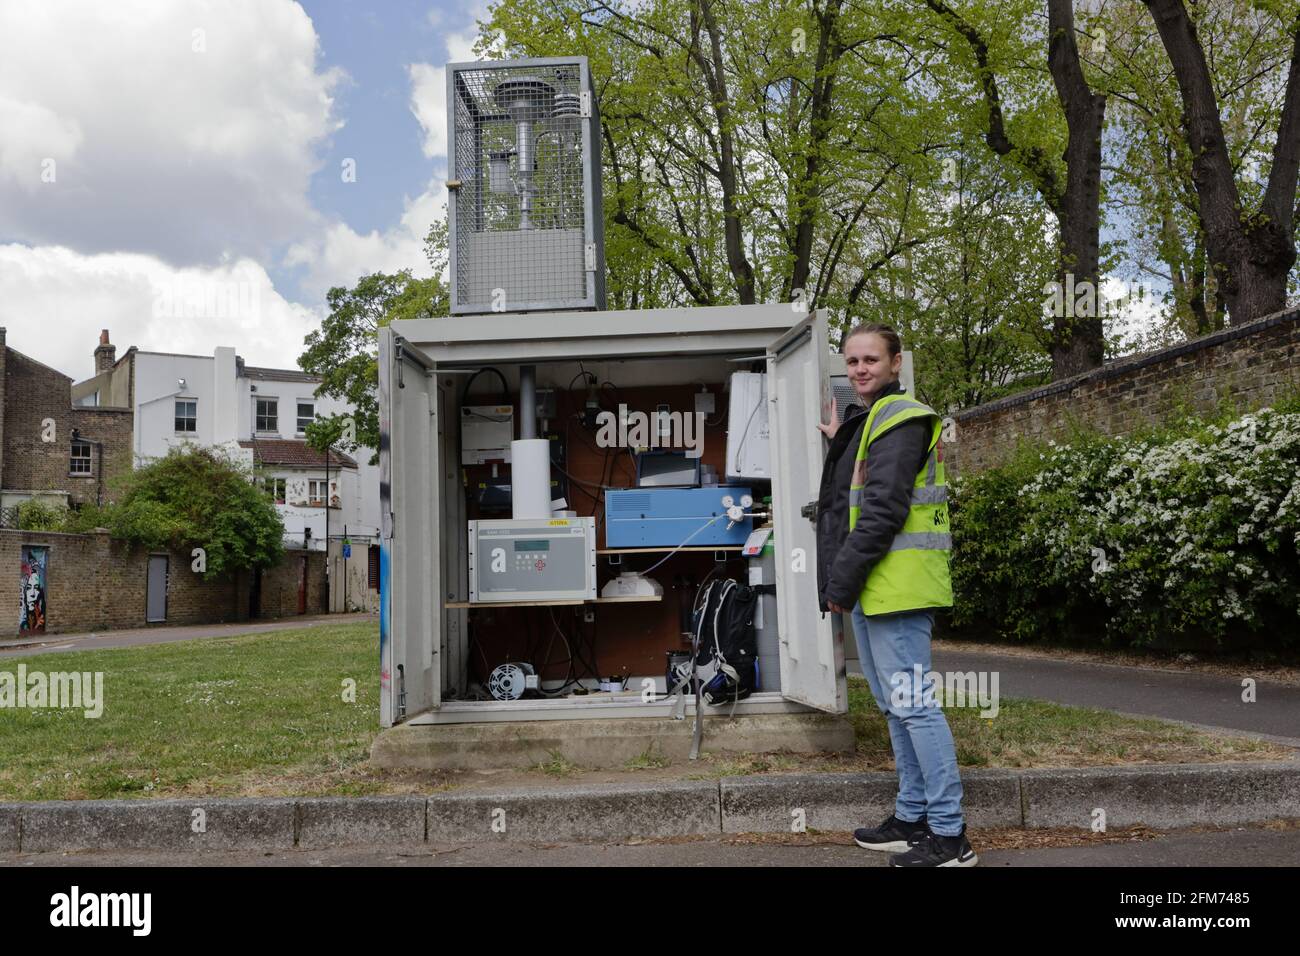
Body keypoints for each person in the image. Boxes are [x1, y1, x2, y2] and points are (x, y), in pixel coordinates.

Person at [814, 323, 977, 867]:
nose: (860, 369)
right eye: (852, 361)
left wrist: (840, 580)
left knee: (915, 708)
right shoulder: (872, 422)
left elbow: (882, 509)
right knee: (894, 707)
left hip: (897, 589)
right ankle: (911, 817)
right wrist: (840, 439)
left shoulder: (903, 418)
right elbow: (854, 497)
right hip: (876, 588)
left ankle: (951, 837)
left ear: (896, 363)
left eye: (871, 360)